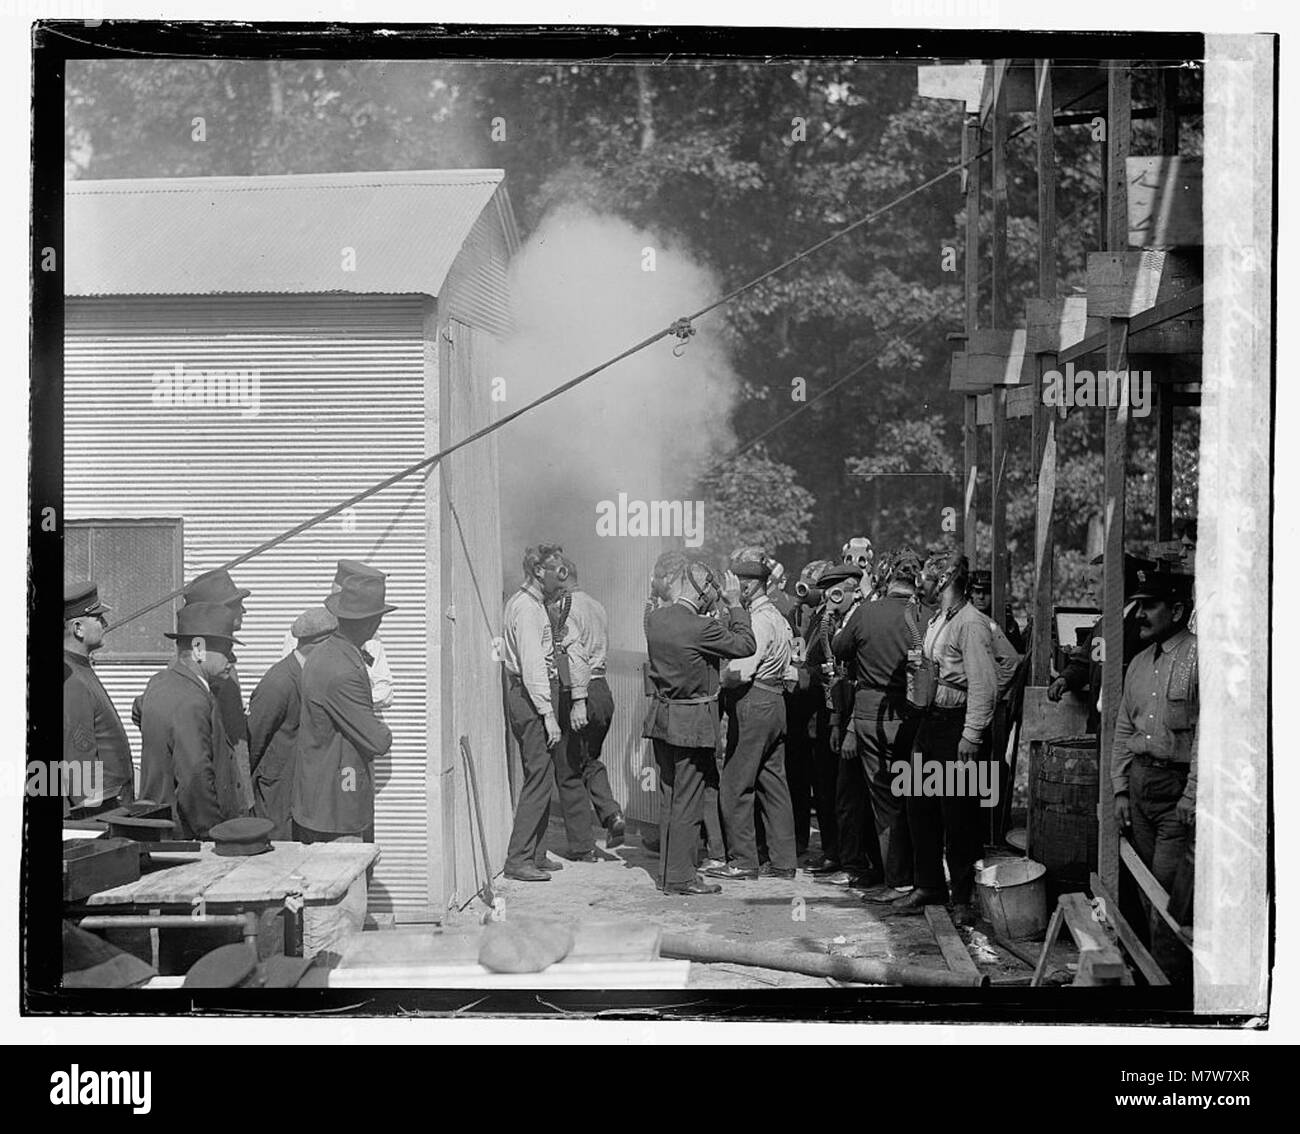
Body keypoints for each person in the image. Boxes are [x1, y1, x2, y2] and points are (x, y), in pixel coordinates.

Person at [643, 552, 755, 895]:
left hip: (662, 718)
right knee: (689, 801)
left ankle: (668, 872)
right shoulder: (703, 627)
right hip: (691, 723)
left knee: (670, 796)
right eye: (713, 589)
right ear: (703, 589)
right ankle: (681, 878)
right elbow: (746, 645)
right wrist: (735, 605)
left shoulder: (655, 620)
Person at [896, 550, 998, 924]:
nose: (919, 584)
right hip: (932, 720)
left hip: (958, 725)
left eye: (924, 577)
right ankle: (928, 886)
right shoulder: (940, 618)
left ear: (943, 580)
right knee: (919, 803)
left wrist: (972, 735)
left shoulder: (971, 623)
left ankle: (963, 899)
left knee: (958, 815)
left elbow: (985, 684)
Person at [1111, 566, 1197, 981]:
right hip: (1141, 787)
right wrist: (1119, 789)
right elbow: (1124, 728)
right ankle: (1147, 976)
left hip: (1176, 795)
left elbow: (1209, 734)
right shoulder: (1141, 662)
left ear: (1177, 610)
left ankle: (1167, 991)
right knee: (1144, 891)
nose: (1140, 615)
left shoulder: (1198, 659)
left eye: (1150, 606)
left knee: (1166, 896)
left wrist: (1191, 796)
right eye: (1138, 605)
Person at [832, 547, 932, 901]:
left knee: (885, 802)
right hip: (915, 716)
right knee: (915, 797)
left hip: (871, 714)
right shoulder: (926, 616)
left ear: (887, 576)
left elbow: (840, 647)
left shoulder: (866, 612)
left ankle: (897, 881)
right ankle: (923, 877)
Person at [706, 557, 798, 881]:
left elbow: (742, 670)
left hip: (753, 700)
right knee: (774, 783)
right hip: (776, 701)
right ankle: (785, 861)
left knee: (734, 783)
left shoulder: (757, 620)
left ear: (747, 585)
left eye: (735, 583)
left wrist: (718, 679)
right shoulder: (779, 617)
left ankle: (743, 862)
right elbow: (791, 670)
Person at [292, 561, 395, 844]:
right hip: (337, 810)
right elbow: (378, 740)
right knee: (347, 883)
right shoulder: (343, 670)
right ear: (373, 621)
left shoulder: (327, 654)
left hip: (325, 801)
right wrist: (379, 726)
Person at [500, 543, 586, 881]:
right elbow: (534, 666)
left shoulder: (535, 606)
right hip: (531, 696)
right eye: (558, 571)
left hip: (533, 694)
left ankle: (535, 854)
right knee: (538, 777)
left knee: (544, 774)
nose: (562, 578)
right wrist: (548, 714)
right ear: (539, 572)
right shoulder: (525, 608)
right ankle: (518, 859)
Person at [138, 602, 246, 839]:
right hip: (184, 833)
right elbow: (194, 776)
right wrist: (212, 832)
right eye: (226, 650)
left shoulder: (160, 682)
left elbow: (140, 712)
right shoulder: (191, 700)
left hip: (160, 823)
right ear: (198, 649)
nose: (233, 658)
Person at [812, 563, 883, 887]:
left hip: (864, 719)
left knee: (854, 796)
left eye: (838, 590)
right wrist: (838, 722)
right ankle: (856, 861)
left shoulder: (862, 620)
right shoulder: (837, 622)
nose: (832, 596)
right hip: (847, 716)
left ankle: (859, 865)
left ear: (855, 588)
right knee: (846, 795)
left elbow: (861, 681)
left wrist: (849, 727)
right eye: (829, 590)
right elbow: (834, 677)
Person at [555, 557, 626, 849]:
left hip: (580, 690)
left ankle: (582, 845)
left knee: (569, 767)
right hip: (603, 691)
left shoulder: (565, 608)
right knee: (590, 760)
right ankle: (611, 815)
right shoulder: (596, 605)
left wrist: (577, 701)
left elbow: (576, 657)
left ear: (562, 577)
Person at [247, 606, 336, 838]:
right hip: (277, 793)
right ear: (318, 644)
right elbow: (253, 741)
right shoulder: (278, 683)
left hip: (304, 793)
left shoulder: (314, 673)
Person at [1047, 553, 1154, 732]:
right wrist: (1065, 679)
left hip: (1131, 728)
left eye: (1093, 582)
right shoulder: (1103, 624)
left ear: (1115, 582)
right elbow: (1084, 663)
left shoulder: (1142, 625)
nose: (1089, 591)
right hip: (1101, 725)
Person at [183, 568, 255, 816]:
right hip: (218, 798)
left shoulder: (221, 660)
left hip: (236, 790)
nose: (244, 611)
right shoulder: (199, 666)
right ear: (218, 611)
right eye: (237, 605)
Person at [280, 559, 395, 711]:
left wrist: (348, 701)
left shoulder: (370, 636)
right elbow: (289, 683)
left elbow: (385, 691)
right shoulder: (305, 630)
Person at [62, 580, 135, 813]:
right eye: (98, 618)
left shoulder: (79, 668)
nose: (105, 623)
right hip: (102, 816)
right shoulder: (72, 679)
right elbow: (78, 766)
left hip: (112, 807)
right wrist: (96, 827)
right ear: (78, 629)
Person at [786, 558, 838, 869]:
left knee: (825, 787)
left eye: (813, 584)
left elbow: (830, 668)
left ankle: (832, 850)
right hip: (803, 714)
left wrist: (804, 675)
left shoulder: (829, 620)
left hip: (820, 712)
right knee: (800, 780)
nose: (806, 590)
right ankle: (801, 841)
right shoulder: (805, 615)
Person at [968, 569, 1026, 654]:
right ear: (971, 593)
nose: (981, 596)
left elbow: (1017, 655)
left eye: (986, 592)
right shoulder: (963, 617)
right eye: (977, 592)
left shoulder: (1005, 620)